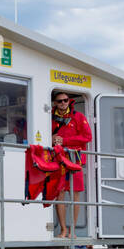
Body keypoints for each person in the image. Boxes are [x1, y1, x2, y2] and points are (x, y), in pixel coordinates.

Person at [51, 90, 92, 239]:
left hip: (76, 161)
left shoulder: (78, 117)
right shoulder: (50, 119)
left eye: (65, 100)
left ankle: (72, 231)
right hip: (58, 160)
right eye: (60, 101)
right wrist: (52, 138)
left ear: (69, 101)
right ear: (55, 103)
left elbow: (88, 137)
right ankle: (63, 230)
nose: (63, 103)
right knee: (59, 195)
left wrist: (65, 141)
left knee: (75, 196)